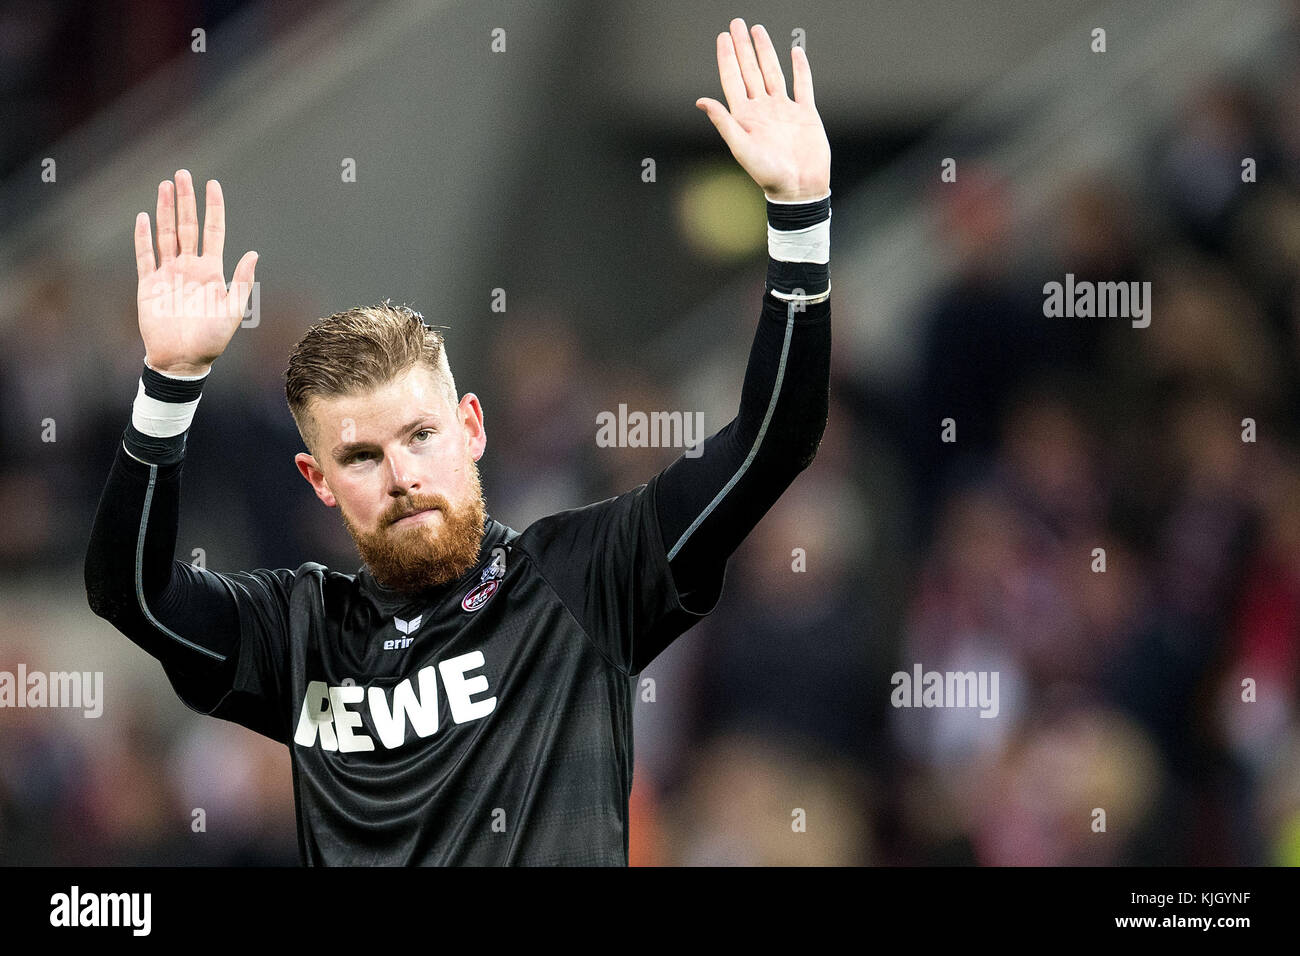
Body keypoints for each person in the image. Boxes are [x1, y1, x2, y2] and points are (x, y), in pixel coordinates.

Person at [84, 18, 833, 865]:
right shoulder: (293, 635)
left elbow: (776, 441)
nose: (400, 474)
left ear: (471, 427)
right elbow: (127, 593)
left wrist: (800, 216)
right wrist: (170, 385)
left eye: (420, 435)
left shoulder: (586, 579)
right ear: (318, 479)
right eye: (361, 457)